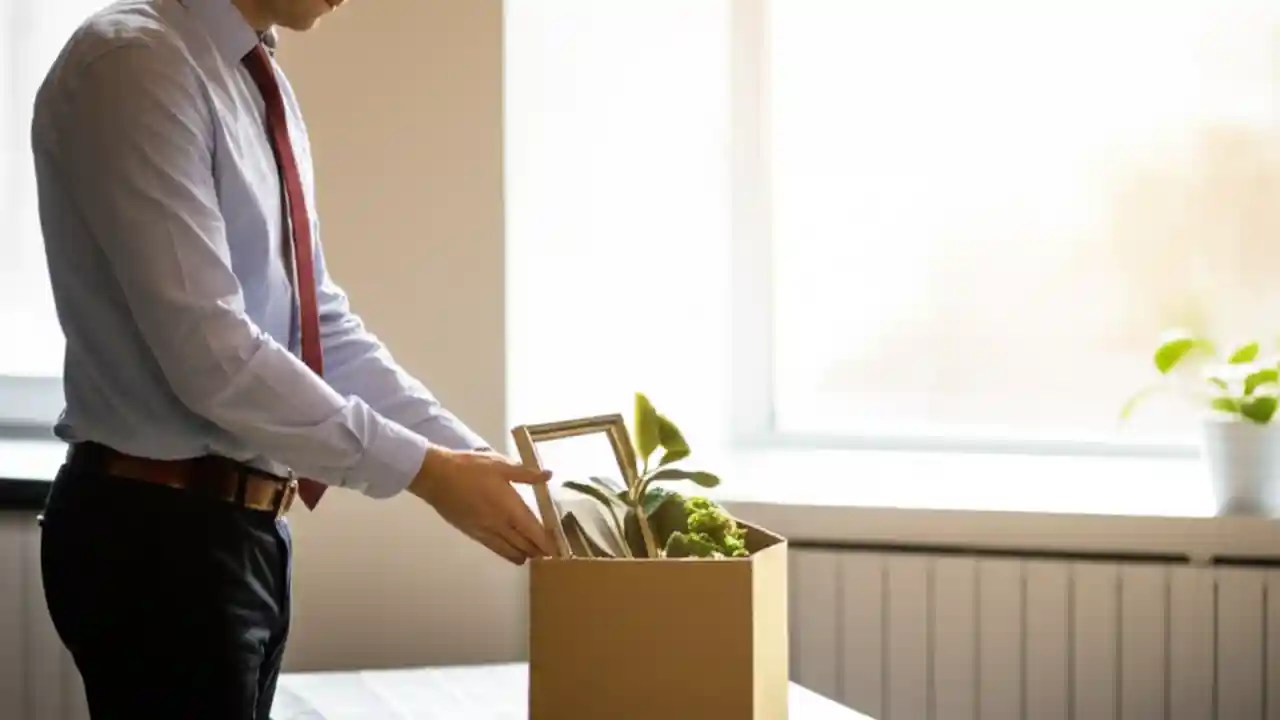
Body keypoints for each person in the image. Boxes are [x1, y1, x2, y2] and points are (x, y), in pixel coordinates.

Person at [31, 0, 555, 717]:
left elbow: (317, 328)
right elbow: (212, 355)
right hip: (156, 537)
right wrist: (426, 473)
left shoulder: (251, 75)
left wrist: (467, 460)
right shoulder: (134, 62)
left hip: (240, 531)